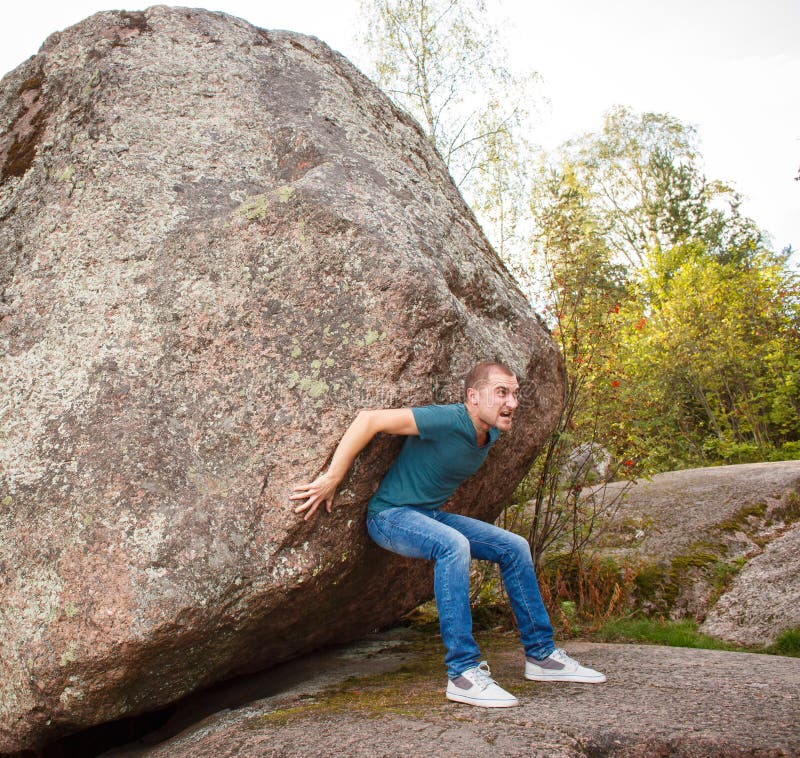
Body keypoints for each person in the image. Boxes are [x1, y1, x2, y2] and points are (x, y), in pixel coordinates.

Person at [290, 361, 606, 708]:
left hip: (428, 515)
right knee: (454, 545)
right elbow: (369, 419)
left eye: (515, 394)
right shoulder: (450, 418)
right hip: (390, 517)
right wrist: (332, 478)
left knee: (514, 546)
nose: (512, 403)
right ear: (473, 397)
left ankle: (542, 655)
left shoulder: (493, 430)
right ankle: (463, 672)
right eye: (502, 392)